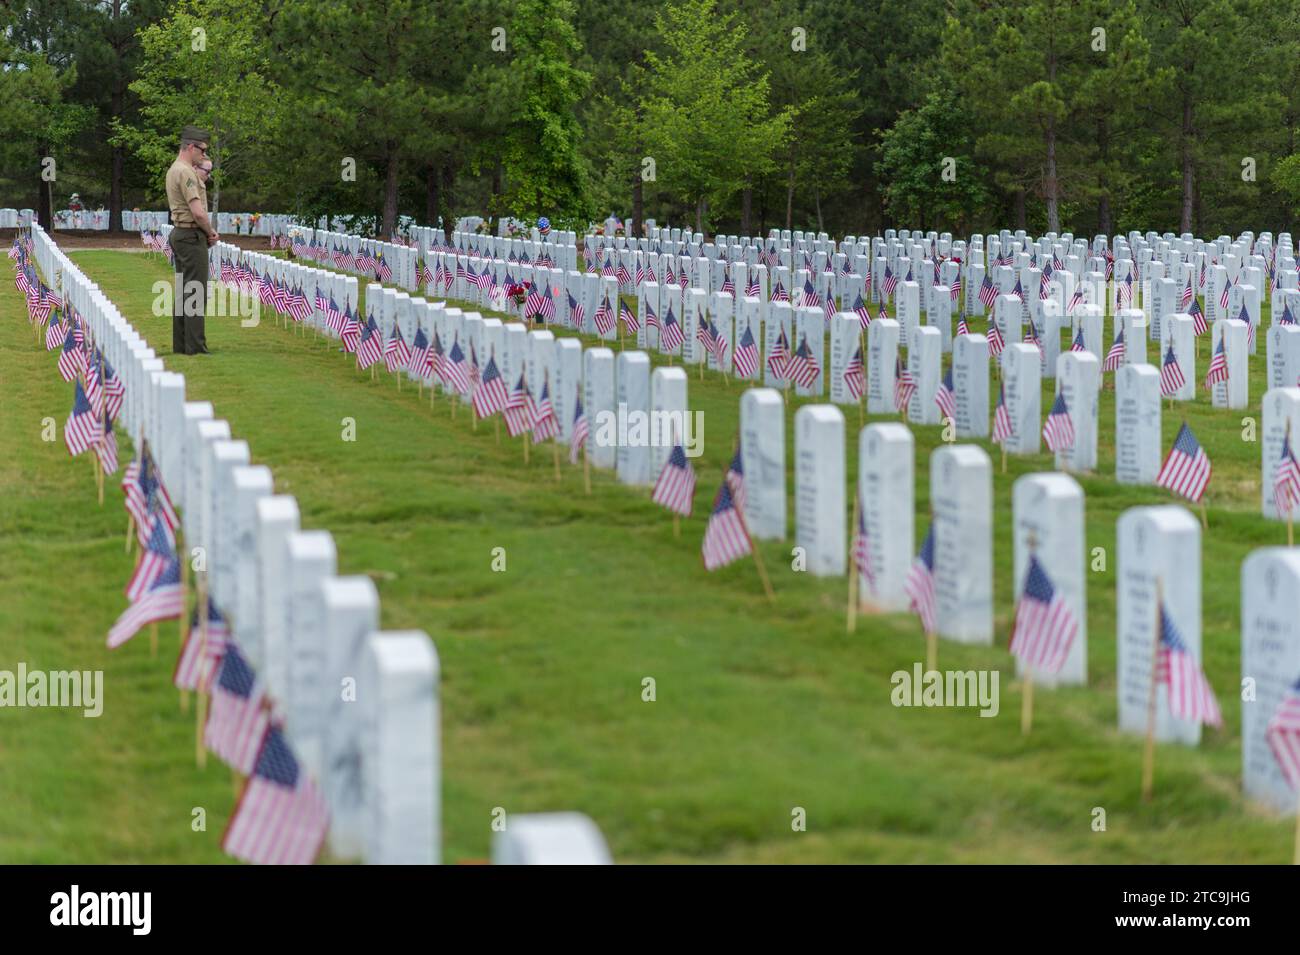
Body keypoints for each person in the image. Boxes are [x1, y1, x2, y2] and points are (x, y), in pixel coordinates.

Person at [165, 125, 219, 355]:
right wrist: (210, 232)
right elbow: (198, 212)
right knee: (195, 291)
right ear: (190, 146)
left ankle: (182, 344)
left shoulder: (174, 169)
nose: (204, 154)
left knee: (184, 291)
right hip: (190, 235)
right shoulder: (186, 172)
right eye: (202, 149)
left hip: (180, 233)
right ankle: (195, 346)